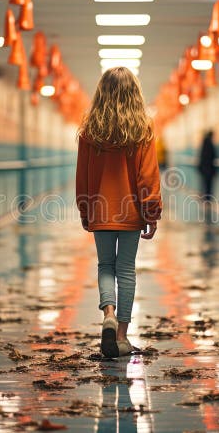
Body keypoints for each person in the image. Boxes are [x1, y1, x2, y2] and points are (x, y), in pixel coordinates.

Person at [75, 67, 162, 358]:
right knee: (125, 269)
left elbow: (83, 177)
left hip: (100, 209)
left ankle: (108, 315)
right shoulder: (142, 130)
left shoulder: (90, 131)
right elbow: (147, 177)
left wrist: (85, 209)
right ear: (133, 93)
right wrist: (152, 212)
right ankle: (122, 336)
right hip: (131, 212)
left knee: (105, 266)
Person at [198, 130, 217, 201]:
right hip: (208, 168)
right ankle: (208, 198)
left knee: (205, 183)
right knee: (208, 184)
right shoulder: (209, 143)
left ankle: (206, 197)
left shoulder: (204, 143)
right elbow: (212, 156)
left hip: (204, 168)